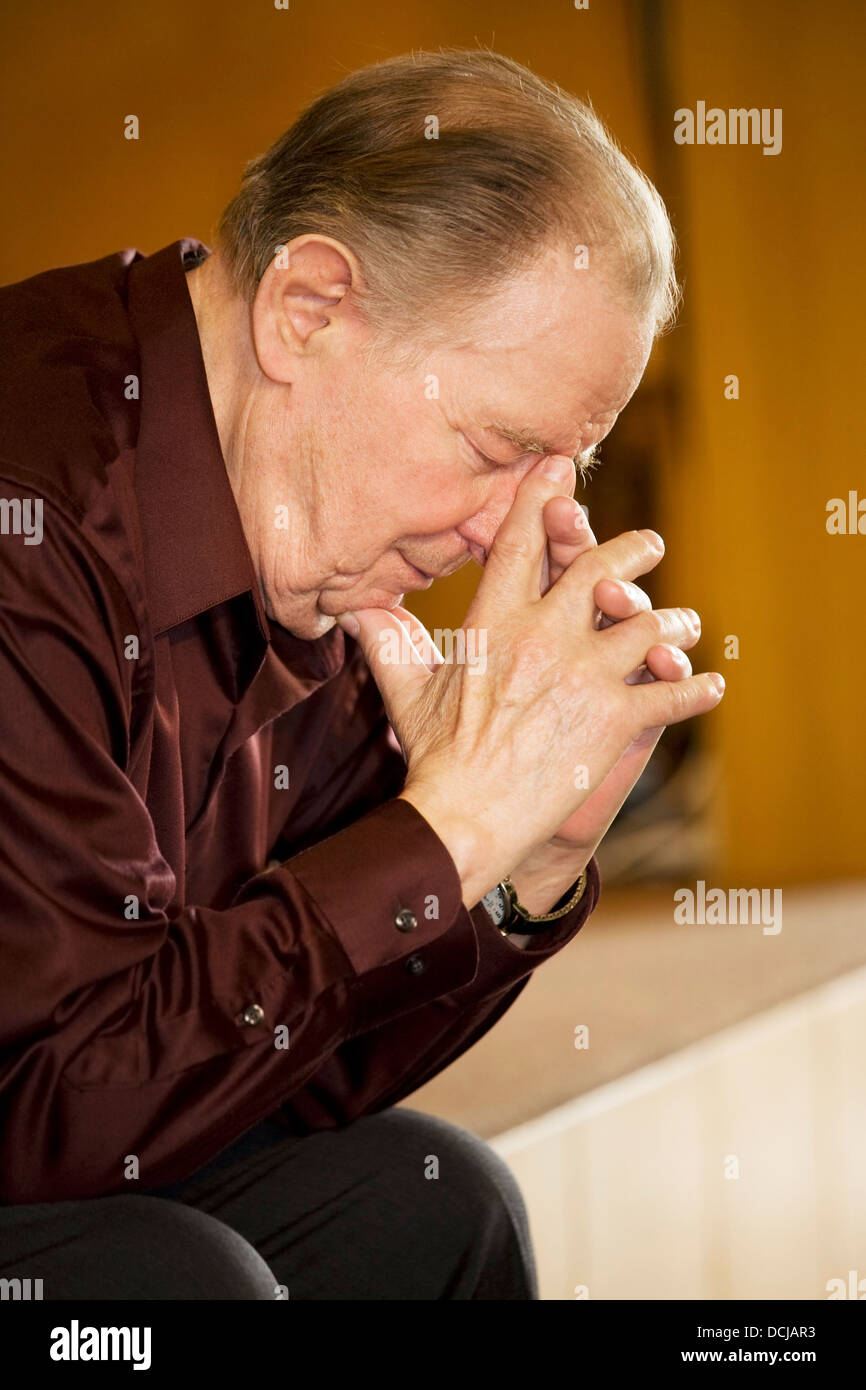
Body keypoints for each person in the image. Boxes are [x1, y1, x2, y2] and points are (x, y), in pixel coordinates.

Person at [0, 48, 723, 1299]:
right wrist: (442, 829)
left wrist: (518, 865)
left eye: (564, 471)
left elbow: (283, 1070)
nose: (512, 532)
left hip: (67, 1129)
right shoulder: (30, 511)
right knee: (169, 1287)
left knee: (429, 1206)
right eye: (497, 448)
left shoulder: (311, 525)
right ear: (309, 312)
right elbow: (54, 1110)